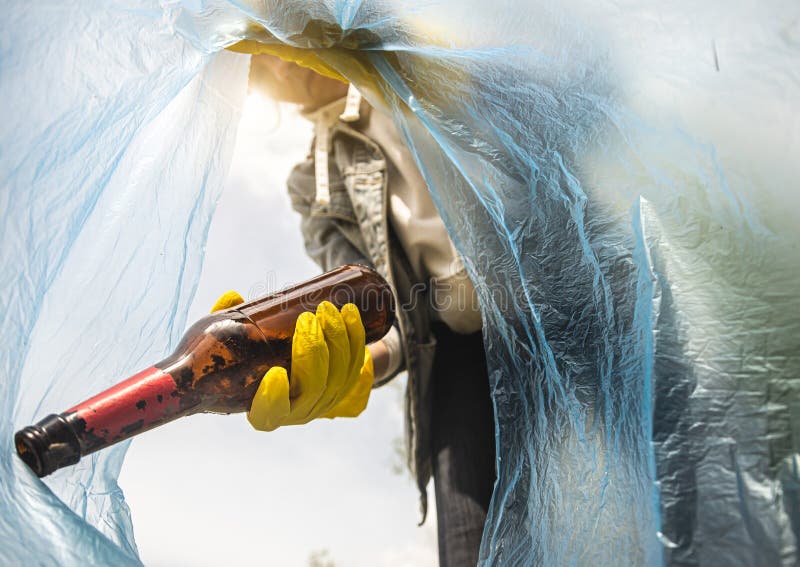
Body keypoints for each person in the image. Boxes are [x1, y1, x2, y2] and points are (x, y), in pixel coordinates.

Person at [223, 52, 496, 566]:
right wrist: (358, 364)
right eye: (258, 68)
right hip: (457, 354)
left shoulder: (414, 59)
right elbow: (381, 314)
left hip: (560, 305)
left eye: (276, 44)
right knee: (472, 548)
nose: (281, 70)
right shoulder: (312, 188)